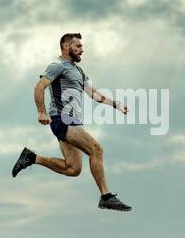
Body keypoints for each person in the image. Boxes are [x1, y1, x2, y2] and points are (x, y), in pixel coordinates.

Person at [11, 32, 132, 211]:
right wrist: (41, 112)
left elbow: (93, 94)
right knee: (96, 149)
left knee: (73, 169)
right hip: (62, 119)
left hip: (71, 121)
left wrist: (116, 104)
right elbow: (39, 87)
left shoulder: (79, 70)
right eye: (78, 46)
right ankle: (106, 196)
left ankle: (32, 158)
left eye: (82, 46)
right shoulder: (57, 66)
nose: (82, 50)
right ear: (66, 47)